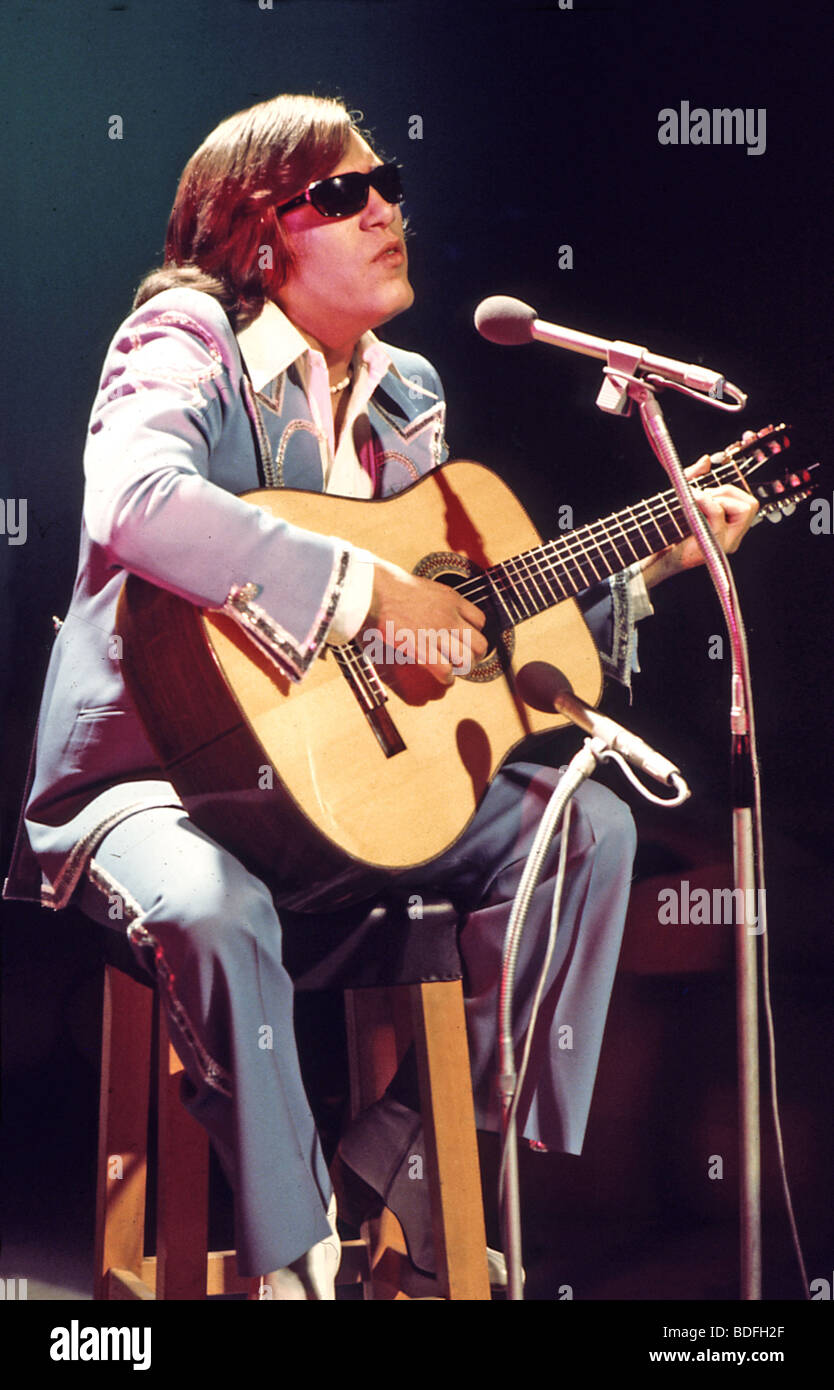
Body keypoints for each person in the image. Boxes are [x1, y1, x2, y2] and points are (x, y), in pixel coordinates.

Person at [3, 93, 759, 1299]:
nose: (387, 207)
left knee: (587, 827)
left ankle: (402, 1160)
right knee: (210, 907)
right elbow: (136, 506)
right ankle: (301, 1257)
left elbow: (449, 639)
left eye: (392, 182)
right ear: (258, 232)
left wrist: (656, 556)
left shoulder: (410, 393)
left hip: (329, 802)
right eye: (347, 192)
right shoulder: (185, 343)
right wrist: (362, 593)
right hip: (151, 783)